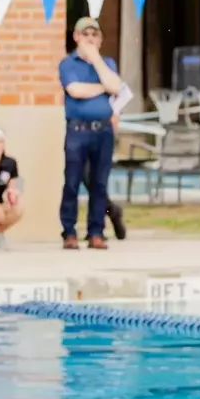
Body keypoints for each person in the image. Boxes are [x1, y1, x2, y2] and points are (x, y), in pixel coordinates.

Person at [58, 16, 124, 250]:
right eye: (85, 34)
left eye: (94, 35)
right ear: (76, 37)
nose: (89, 39)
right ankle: (69, 231)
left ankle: (96, 231)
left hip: (103, 130)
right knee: (73, 182)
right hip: (78, 130)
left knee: (99, 183)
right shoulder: (68, 63)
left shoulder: (107, 63)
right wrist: (102, 88)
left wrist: (96, 60)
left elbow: (116, 86)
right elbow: (74, 90)